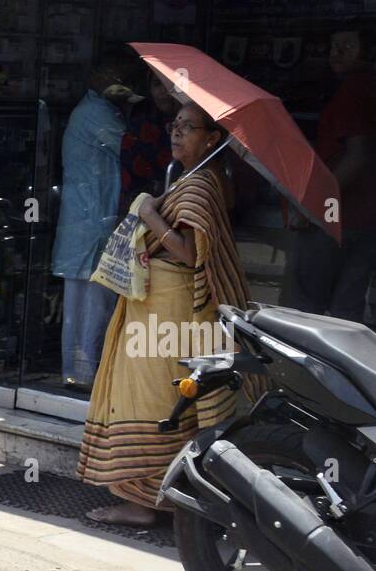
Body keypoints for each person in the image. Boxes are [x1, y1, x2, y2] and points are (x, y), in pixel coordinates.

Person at [78, 100, 250, 526]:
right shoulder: (192, 178)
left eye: (188, 127)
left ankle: (143, 503)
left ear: (212, 138)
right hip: (158, 305)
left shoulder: (202, 184)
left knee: (152, 398)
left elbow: (191, 254)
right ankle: (166, 496)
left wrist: (150, 214)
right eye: (174, 124)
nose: (176, 133)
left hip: (167, 311)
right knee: (161, 397)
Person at [52, 55, 143, 391]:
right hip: (93, 220)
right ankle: (87, 373)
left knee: (82, 303)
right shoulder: (99, 114)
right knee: (93, 303)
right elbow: (130, 149)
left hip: (86, 219)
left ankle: (78, 371)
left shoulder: (93, 111)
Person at [282, 23, 376, 324]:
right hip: (369, 218)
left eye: (348, 46)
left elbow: (358, 154)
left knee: (302, 309)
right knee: (346, 314)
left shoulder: (354, 91)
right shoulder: (374, 87)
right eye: (333, 46)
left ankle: (300, 370)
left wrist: (315, 203)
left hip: (334, 216)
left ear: (367, 51)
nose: (336, 53)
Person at [119, 68, 175, 214]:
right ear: (149, 88)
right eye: (157, 84)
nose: (164, 91)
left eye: (170, 84)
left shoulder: (195, 124)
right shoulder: (139, 124)